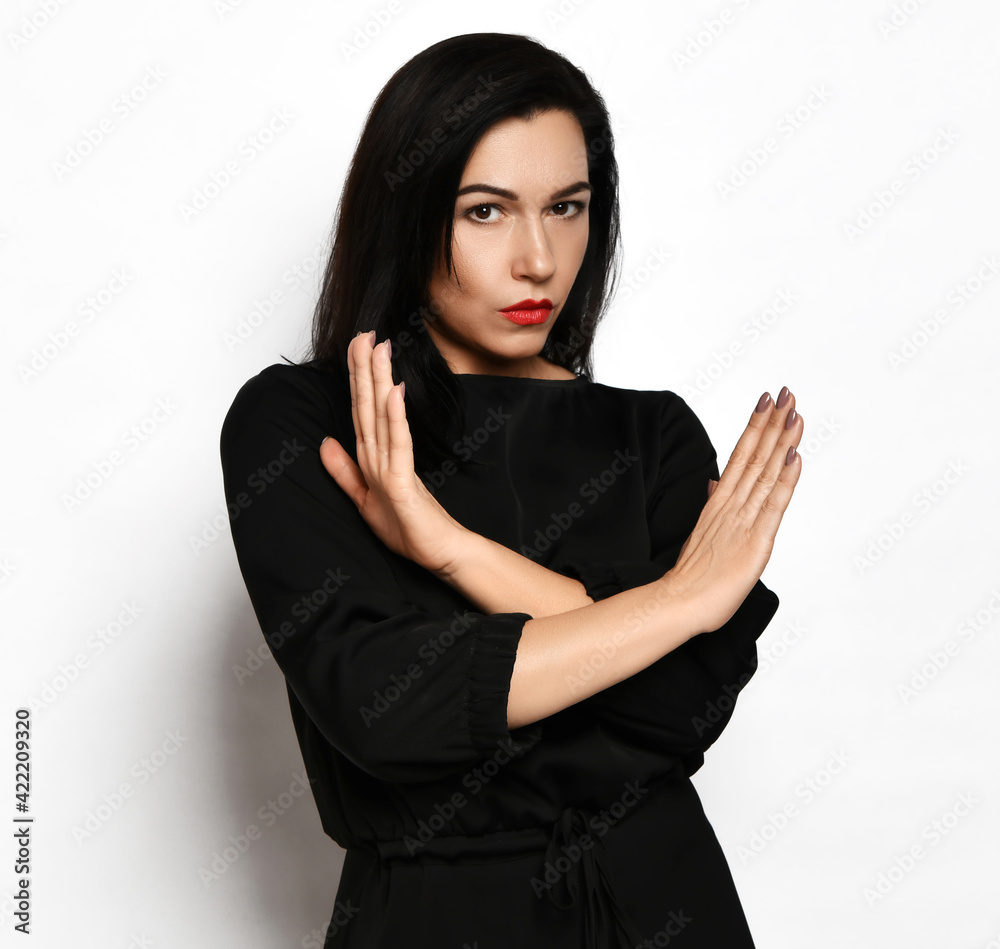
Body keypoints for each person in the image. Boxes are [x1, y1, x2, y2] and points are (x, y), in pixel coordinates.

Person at [219, 32, 802, 949]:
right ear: (408, 213)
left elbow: (681, 705)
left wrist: (452, 549)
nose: (538, 258)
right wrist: (683, 601)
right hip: (430, 922)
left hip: (666, 907)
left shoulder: (652, 435)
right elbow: (382, 708)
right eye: (486, 212)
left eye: (566, 207)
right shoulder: (304, 422)